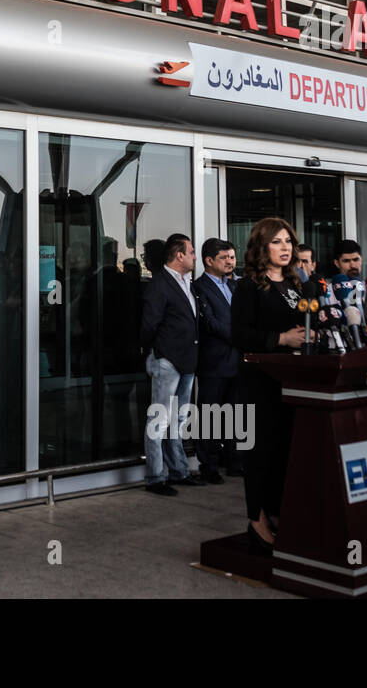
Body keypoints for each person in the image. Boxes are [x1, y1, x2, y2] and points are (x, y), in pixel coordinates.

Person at [230, 217, 311, 551]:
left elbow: (301, 323)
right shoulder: (249, 285)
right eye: (277, 242)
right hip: (258, 382)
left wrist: (309, 334)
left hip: (291, 380)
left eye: (288, 241)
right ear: (261, 247)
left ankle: (279, 512)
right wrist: (281, 337)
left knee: (285, 451)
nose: (285, 247)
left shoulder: (297, 284)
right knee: (260, 453)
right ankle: (257, 520)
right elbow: (239, 334)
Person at [139, 233, 203, 495]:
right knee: (159, 420)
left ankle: (178, 471)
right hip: (167, 360)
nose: (194, 257)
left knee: (177, 419)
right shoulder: (160, 284)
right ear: (179, 255)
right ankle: (155, 477)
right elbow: (149, 324)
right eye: (191, 252)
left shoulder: (187, 283)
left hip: (187, 360)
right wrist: (155, 352)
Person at [193, 237, 240, 482]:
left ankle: (234, 459)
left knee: (237, 412)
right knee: (210, 414)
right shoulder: (199, 287)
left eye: (232, 257)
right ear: (209, 260)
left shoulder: (234, 286)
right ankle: (208, 464)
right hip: (214, 359)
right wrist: (240, 336)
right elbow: (209, 322)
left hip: (237, 359)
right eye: (225, 258)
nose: (230, 262)